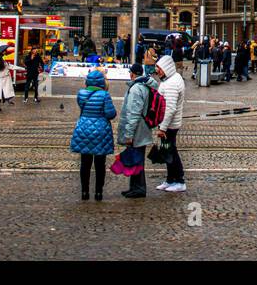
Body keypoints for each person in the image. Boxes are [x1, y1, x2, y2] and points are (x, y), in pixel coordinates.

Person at [69, 69, 117, 201]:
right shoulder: (104, 95)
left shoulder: (81, 94)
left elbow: (82, 107)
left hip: (84, 129)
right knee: (100, 164)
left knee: (85, 162)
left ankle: (84, 192)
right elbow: (111, 114)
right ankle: (98, 192)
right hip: (101, 131)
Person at [115, 63, 159, 199]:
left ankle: (139, 188)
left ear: (132, 74)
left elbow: (133, 113)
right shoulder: (145, 86)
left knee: (137, 159)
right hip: (143, 128)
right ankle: (134, 187)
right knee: (135, 158)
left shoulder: (136, 89)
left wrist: (128, 134)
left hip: (137, 130)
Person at [154, 53, 187, 192]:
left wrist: (163, 128)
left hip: (170, 125)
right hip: (168, 124)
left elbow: (170, 108)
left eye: (159, 68)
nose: (157, 71)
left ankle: (179, 180)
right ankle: (170, 179)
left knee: (171, 151)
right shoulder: (170, 79)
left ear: (166, 68)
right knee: (167, 151)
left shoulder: (172, 83)